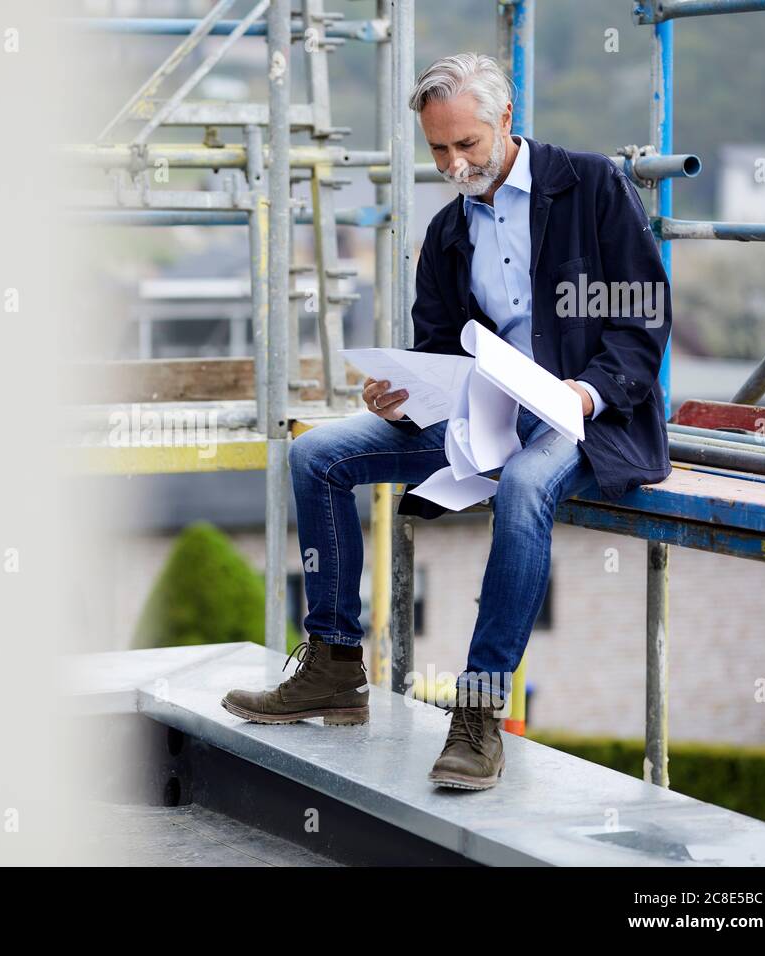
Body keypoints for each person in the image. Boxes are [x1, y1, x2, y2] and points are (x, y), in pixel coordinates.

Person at [222, 52, 672, 790]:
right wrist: (402, 393)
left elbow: (643, 319)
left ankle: (478, 714)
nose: (454, 162)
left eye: (467, 144)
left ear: (506, 119)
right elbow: (438, 351)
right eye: (438, 149)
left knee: (527, 485)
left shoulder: (592, 185)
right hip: (485, 416)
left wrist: (582, 395)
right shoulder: (448, 232)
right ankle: (334, 664)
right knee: (318, 455)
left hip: (591, 416)